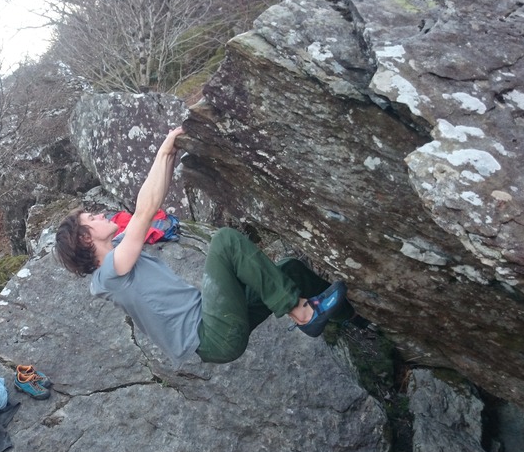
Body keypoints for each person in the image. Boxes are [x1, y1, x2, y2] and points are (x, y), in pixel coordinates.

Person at [54, 127, 362, 367]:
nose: (100, 214)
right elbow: (145, 210)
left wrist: (170, 153)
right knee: (225, 241)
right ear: (84, 238)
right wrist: (163, 151)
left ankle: (354, 317)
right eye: (91, 218)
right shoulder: (109, 276)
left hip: (217, 320)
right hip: (213, 336)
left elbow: (149, 202)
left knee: (289, 271)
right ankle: (302, 313)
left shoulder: (120, 249)